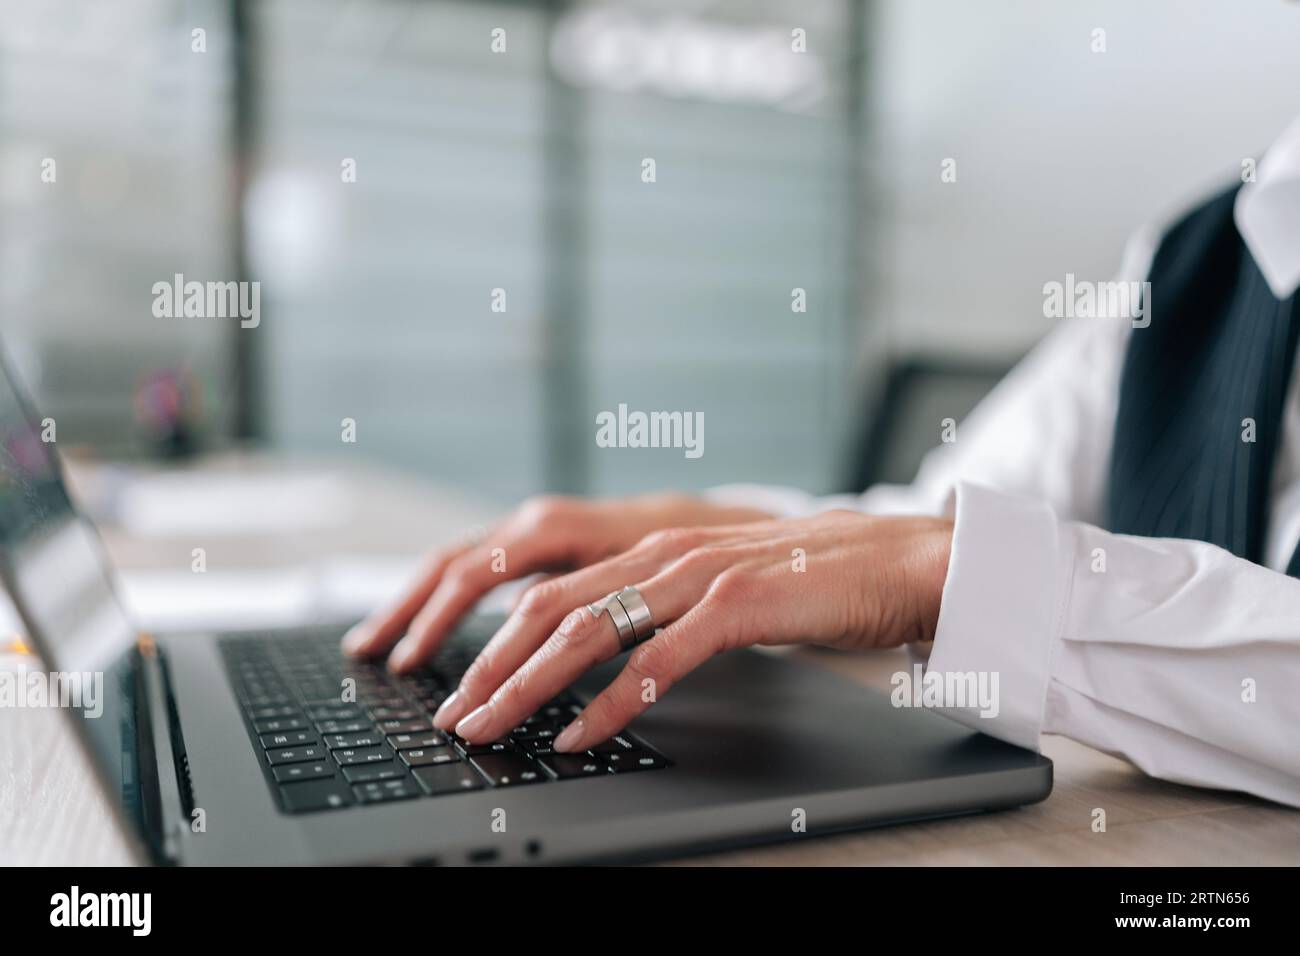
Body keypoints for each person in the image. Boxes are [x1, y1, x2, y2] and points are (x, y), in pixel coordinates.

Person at [345, 115, 1300, 809]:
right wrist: (706, 533)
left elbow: (949, 563)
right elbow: (933, 519)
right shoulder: (1205, 249)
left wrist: (944, 578)